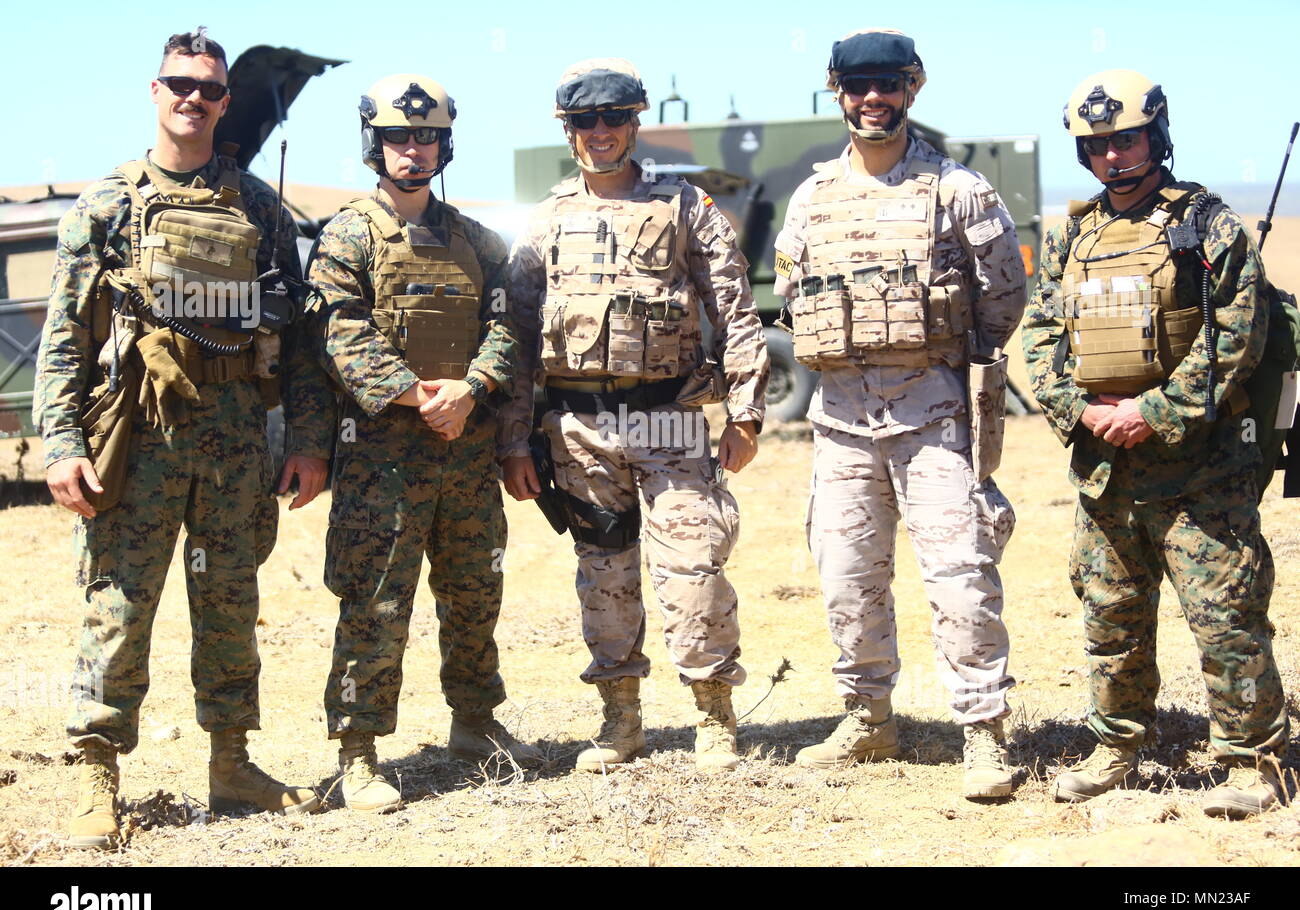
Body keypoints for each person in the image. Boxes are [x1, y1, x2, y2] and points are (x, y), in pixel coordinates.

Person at [35, 30, 334, 849]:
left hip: (237, 437)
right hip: (139, 433)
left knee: (231, 601)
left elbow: (302, 340)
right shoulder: (107, 206)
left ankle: (232, 764)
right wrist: (62, 442)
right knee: (119, 605)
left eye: (207, 88)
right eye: (178, 84)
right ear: (154, 91)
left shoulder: (258, 209)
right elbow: (65, 335)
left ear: (225, 101)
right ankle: (97, 772)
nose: (191, 98)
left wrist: (307, 441)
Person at [1022, 69, 1289, 817]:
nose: (1112, 155)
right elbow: (1040, 335)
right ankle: (1115, 748)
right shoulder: (1073, 233)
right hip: (1107, 471)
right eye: (1096, 144)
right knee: (1111, 618)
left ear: (1157, 135)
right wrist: (1081, 411)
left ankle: (1253, 761)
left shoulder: (1209, 225)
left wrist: (1153, 411)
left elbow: (1237, 336)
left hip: (1201, 474)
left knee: (1226, 617)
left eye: (1126, 139)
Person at [774, 29, 1026, 799]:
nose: (871, 98)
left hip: (934, 418)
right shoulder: (813, 196)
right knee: (847, 577)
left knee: (961, 577)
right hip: (843, 423)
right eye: (856, 86)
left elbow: (1003, 296)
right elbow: (791, 294)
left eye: (887, 84)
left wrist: (947, 362)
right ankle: (867, 717)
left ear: (913, 87)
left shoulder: (959, 191)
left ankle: (982, 732)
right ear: (837, 91)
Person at [499, 58, 769, 773]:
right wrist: (515, 442)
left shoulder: (685, 206)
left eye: (613, 118)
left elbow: (736, 311)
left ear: (635, 122)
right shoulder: (545, 221)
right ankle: (620, 721)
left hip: (668, 420)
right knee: (603, 574)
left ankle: (714, 715)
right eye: (585, 122)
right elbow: (520, 339)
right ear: (567, 130)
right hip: (578, 429)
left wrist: (745, 411)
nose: (600, 133)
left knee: (694, 568)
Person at [308, 73, 539, 813]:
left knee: (474, 592)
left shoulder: (477, 240)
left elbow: (510, 327)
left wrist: (471, 388)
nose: (414, 149)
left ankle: (474, 723)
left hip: (465, 452)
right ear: (374, 146)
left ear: (445, 145)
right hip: (383, 460)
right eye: (399, 138)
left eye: (427, 137)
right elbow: (339, 331)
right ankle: (358, 751)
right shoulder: (347, 235)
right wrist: (420, 395)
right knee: (374, 604)